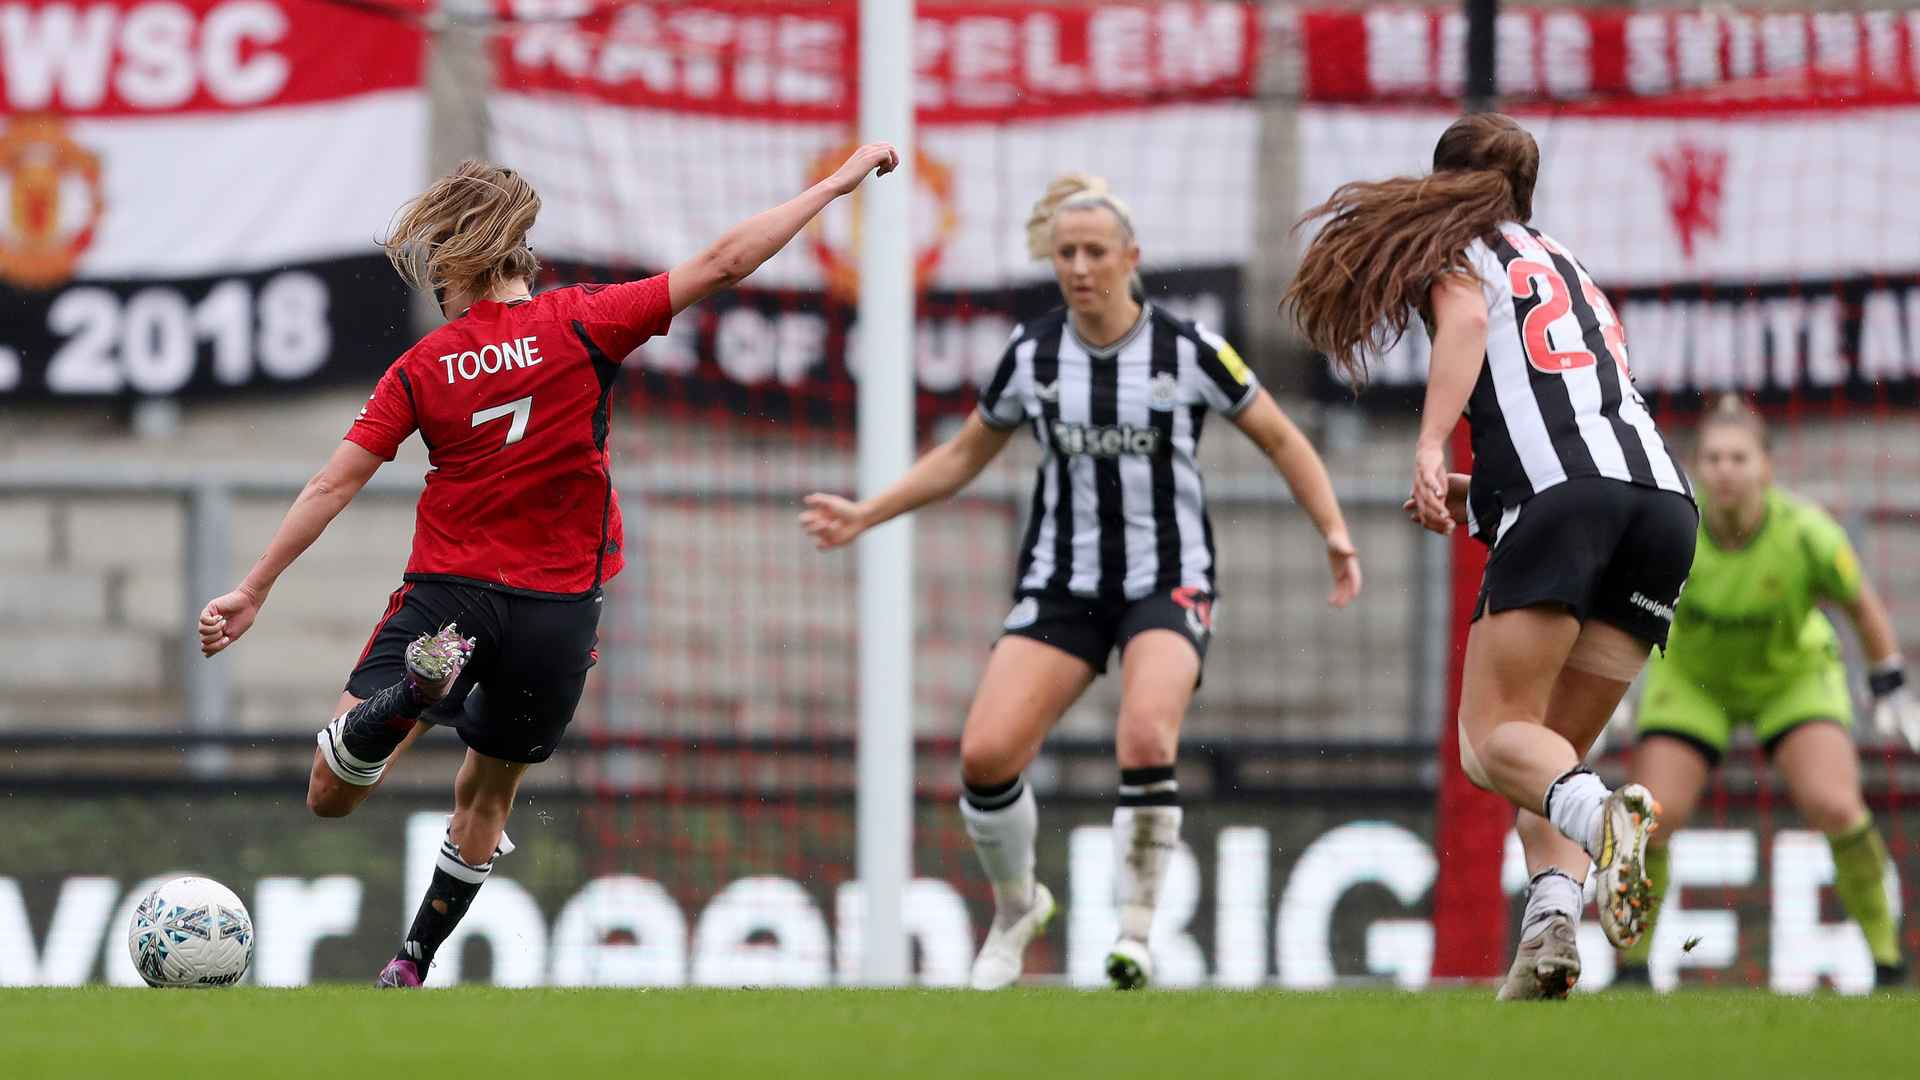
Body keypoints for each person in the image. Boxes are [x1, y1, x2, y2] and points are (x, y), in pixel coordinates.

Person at [197, 144, 899, 987]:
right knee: (485, 800)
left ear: (461, 259)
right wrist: (833, 182)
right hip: (558, 613)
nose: (437, 290)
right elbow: (726, 261)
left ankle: (417, 694)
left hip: (450, 599)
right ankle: (413, 960)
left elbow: (332, 481)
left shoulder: (423, 367)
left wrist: (254, 587)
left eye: (437, 271)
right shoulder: (587, 320)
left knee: (331, 791)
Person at [801, 174, 1362, 990]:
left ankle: (1135, 931)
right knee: (986, 756)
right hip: (1062, 583)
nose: (1080, 266)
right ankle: (1018, 904)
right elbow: (963, 456)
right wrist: (866, 513)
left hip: (1167, 578)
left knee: (1144, 734)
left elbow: (1279, 436)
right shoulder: (1033, 357)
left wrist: (1335, 533)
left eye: (1096, 251)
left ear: (1130, 259)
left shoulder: (1190, 349)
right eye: (1066, 252)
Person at [1289, 112, 1697, 1000]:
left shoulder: (1460, 252)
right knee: (1544, 756)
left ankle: (1608, 821)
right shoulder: (1569, 264)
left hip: (1568, 504)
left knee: (1487, 743)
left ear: (1444, 184)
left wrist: (1432, 445)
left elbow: (1469, 322)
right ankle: (1552, 930)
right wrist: (1487, 490)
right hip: (1661, 508)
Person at [1614, 396, 1917, 989]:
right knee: (1651, 815)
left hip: (1792, 679)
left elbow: (1861, 606)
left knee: (1835, 805)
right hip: (1694, 682)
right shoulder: (1677, 529)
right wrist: (1610, 688)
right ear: (1698, 467)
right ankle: (1632, 969)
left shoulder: (1808, 533)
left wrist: (1889, 681)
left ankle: (1887, 959)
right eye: (1714, 457)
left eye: (1739, 457)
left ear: (1765, 469)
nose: (1726, 469)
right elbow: (1625, 610)